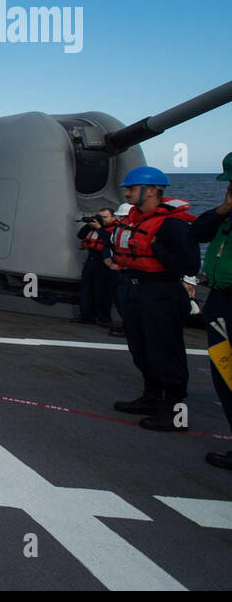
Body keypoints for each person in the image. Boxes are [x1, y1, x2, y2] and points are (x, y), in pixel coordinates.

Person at [109, 166, 200, 431]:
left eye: (131, 188)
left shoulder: (172, 225)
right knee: (141, 347)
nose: (126, 192)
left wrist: (160, 251)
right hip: (135, 288)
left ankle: (174, 411)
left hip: (161, 292)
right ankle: (151, 397)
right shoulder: (134, 219)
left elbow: (190, 264)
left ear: (151, 191)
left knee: (165, 350)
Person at [192, 153, 232, 467]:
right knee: (225, 374)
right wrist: (224, 208)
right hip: (220, 302)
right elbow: (197, 232)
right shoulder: (225, 217)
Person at [76, 207, 118, 326]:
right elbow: (80, 235)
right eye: (100, 217)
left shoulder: (114, 229)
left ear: (113, 218)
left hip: (104, 262)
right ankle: (86, 315)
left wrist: (99, 228)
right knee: (86, 289)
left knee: (103, 291)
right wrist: (89, 224)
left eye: (105, 217)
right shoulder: (93, 229)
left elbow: (110, 241)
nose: (102, 219)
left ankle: (104, 318)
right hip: (91, 260)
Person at [106, 201, 133, 337]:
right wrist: (111, 261)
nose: (121, 219)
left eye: (123, 216)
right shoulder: (119, 230)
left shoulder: (136, 230)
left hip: (131, 271)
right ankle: (127, 325)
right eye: (120, 217)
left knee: (127, 299)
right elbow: (112, 245)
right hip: (121, 269)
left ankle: (130, 327)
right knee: (120, 298)